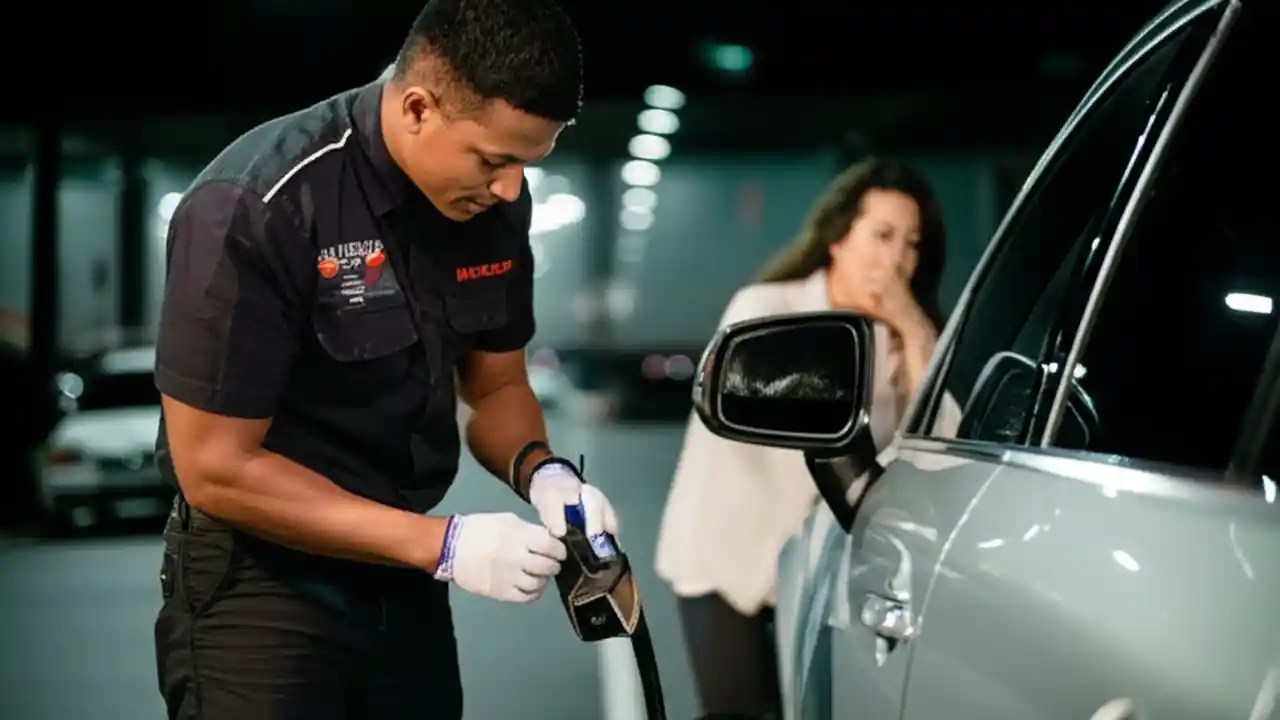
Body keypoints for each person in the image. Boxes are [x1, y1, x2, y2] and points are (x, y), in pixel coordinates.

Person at [151, 1, 621, 718]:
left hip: (400, 575)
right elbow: (215, 467)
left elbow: (496, 387)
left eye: (526, 164)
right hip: (261, 589)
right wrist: (444, 542)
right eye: (494, 160)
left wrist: (543, 471)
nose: (507, 188)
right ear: (417, 107)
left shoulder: (493, 206)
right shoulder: (255, 205)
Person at [654, 156, 954, 719]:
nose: (897, 260)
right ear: (839, 239)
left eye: (913, 244)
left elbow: (942, 452)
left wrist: (914, 330)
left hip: (826, 574)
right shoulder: (768, 310)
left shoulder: (906, 342)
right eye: (883, 236)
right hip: (728, 561)